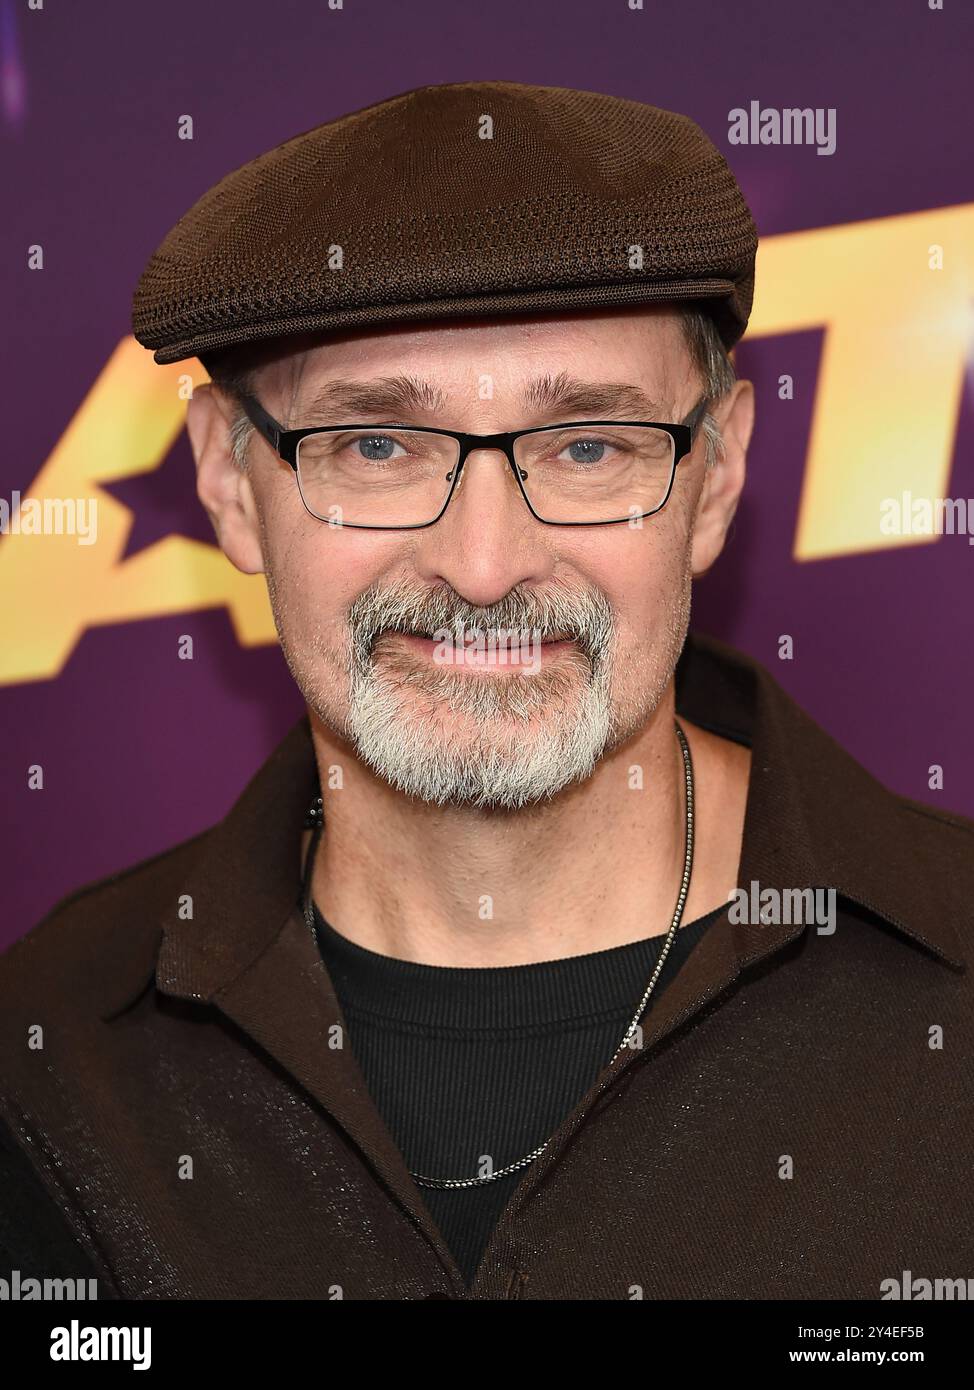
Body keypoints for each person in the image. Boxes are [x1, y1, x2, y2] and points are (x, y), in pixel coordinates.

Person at [1, 80, 971, 1301]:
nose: (483, 564)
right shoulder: (46, 1061)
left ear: (714, 474)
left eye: (583, 447)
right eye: (373, 445)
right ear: (230, 484)